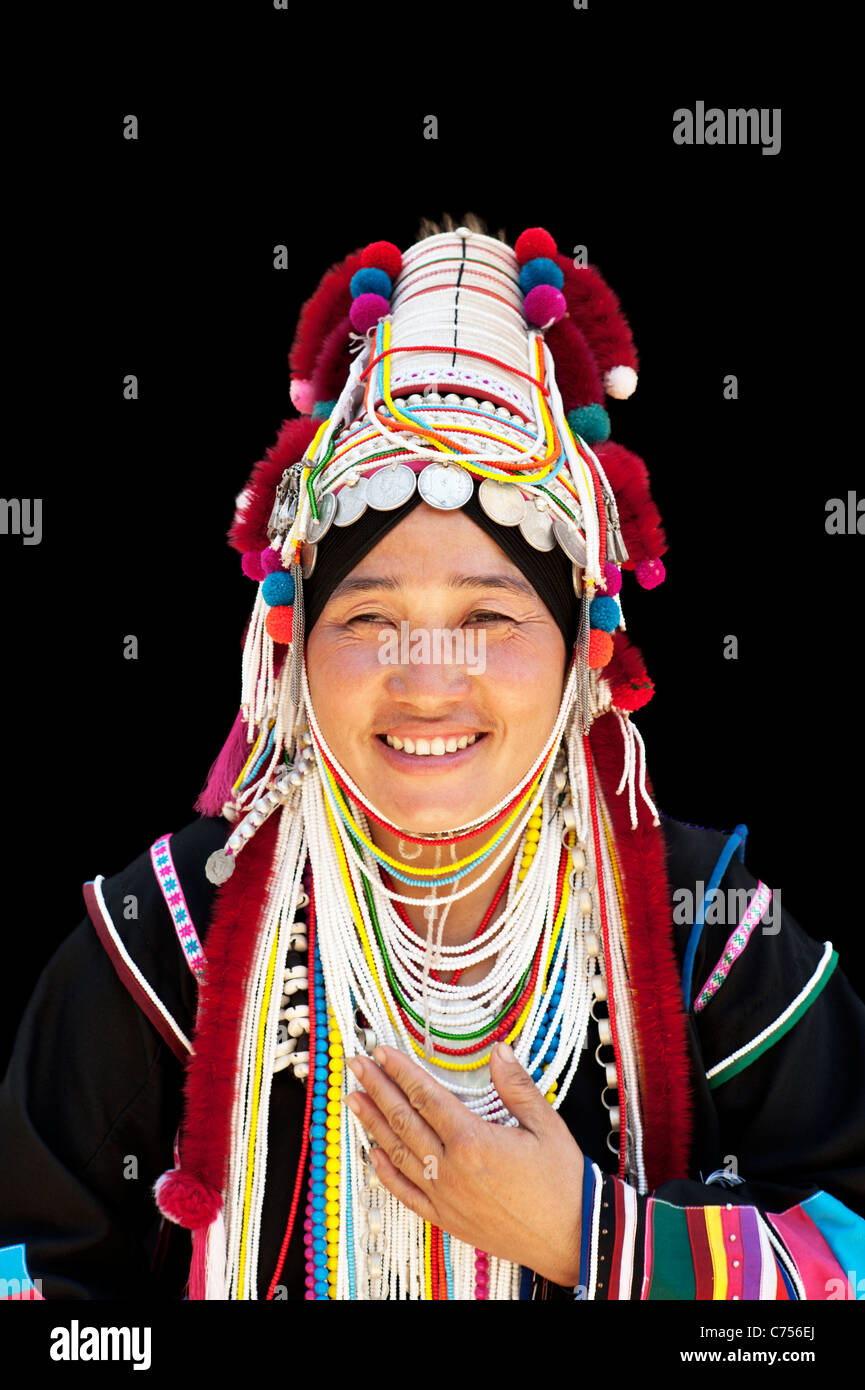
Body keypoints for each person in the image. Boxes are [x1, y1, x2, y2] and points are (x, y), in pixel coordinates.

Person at [2, 216, 863, 1302]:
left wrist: (588, 1235)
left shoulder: (715, 941)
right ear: (292, 645)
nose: (427, 676)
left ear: (581, 654)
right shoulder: (158, 949)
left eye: (490, 614)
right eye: (368, 617)